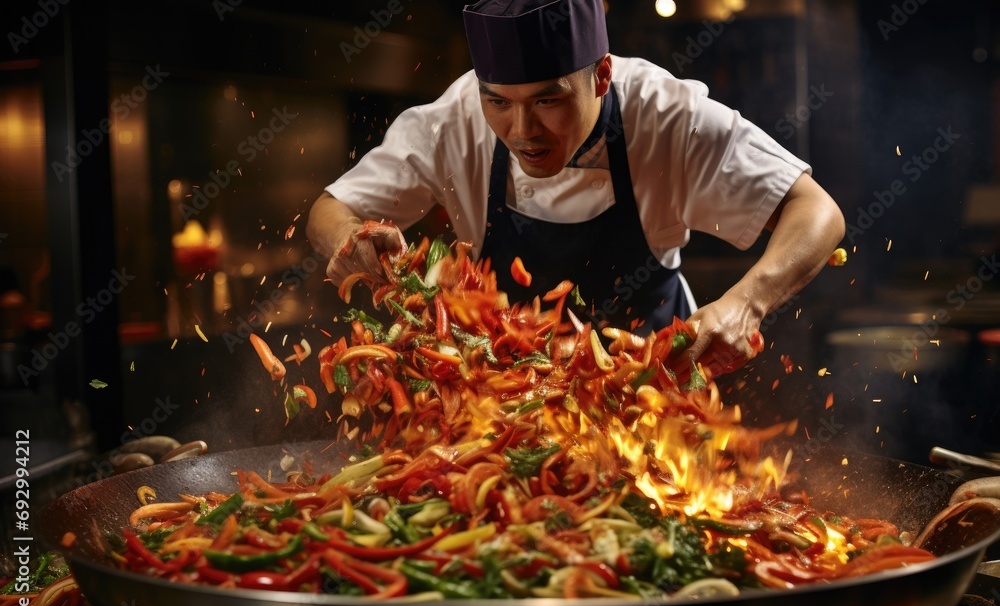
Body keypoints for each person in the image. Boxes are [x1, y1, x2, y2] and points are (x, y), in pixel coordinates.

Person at [307, 0, 845, 378]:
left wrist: (746, 303)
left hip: (651, 391)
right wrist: (349, 239)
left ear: (603, 76)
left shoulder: (667, 114)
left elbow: (816, 210)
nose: (522, 132)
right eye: (498, 102)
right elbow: (331, 209)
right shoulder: (454, 120)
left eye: (548, 101)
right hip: (502, 402)